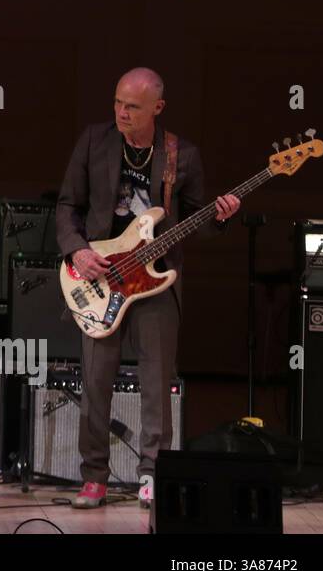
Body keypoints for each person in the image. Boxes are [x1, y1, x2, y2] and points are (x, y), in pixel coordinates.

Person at [57, 67, 239, 509]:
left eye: (132, 106)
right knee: (96, 382)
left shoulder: (183, 155)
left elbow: (198, 221)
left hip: (155, 284)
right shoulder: (94, 141)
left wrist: (221, 216)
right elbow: (67, 206)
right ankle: (94, 477)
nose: (121, 111)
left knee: (157, 383)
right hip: (100, 277)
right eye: (118, 102)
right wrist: (78, 251)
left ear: (157, 108)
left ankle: (152, 475)